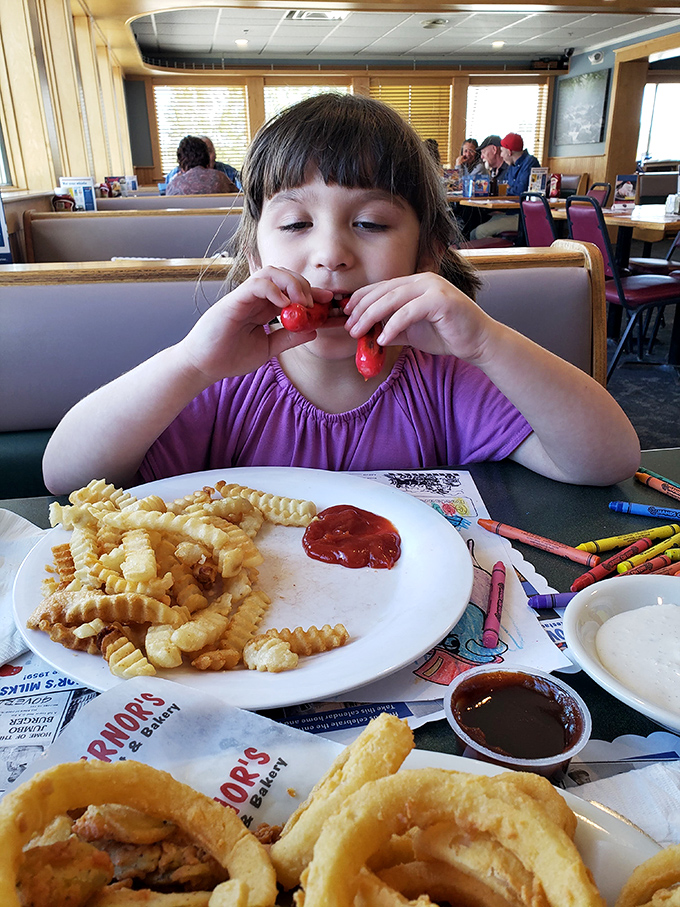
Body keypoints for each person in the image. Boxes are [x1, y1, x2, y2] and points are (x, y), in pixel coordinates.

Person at [43, 93, 639, 495]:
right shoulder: (220, 381)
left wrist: (487, 342)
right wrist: (191, 364)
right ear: (256, 259)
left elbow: (607, 460)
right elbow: (66, 475)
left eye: (371, 223)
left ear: (426, 257)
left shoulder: (448, 377)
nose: (331, 254)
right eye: (296, 224)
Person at [470, 133, 540, 240]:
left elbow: (520, 192)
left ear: (509, 151)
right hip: (510, 213)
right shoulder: (512, 165)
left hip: (523, 216)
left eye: (502, 151)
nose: (501, 155)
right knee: (473, 232)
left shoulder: (530, 162)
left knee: (480, 232)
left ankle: (498, 251)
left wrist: (508, 189)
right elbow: (504, 189)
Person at [166, 135, 237, 196]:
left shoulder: (173, 184)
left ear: (182, 166)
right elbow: (239, 199)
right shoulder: (221, 178)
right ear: (207, 158)